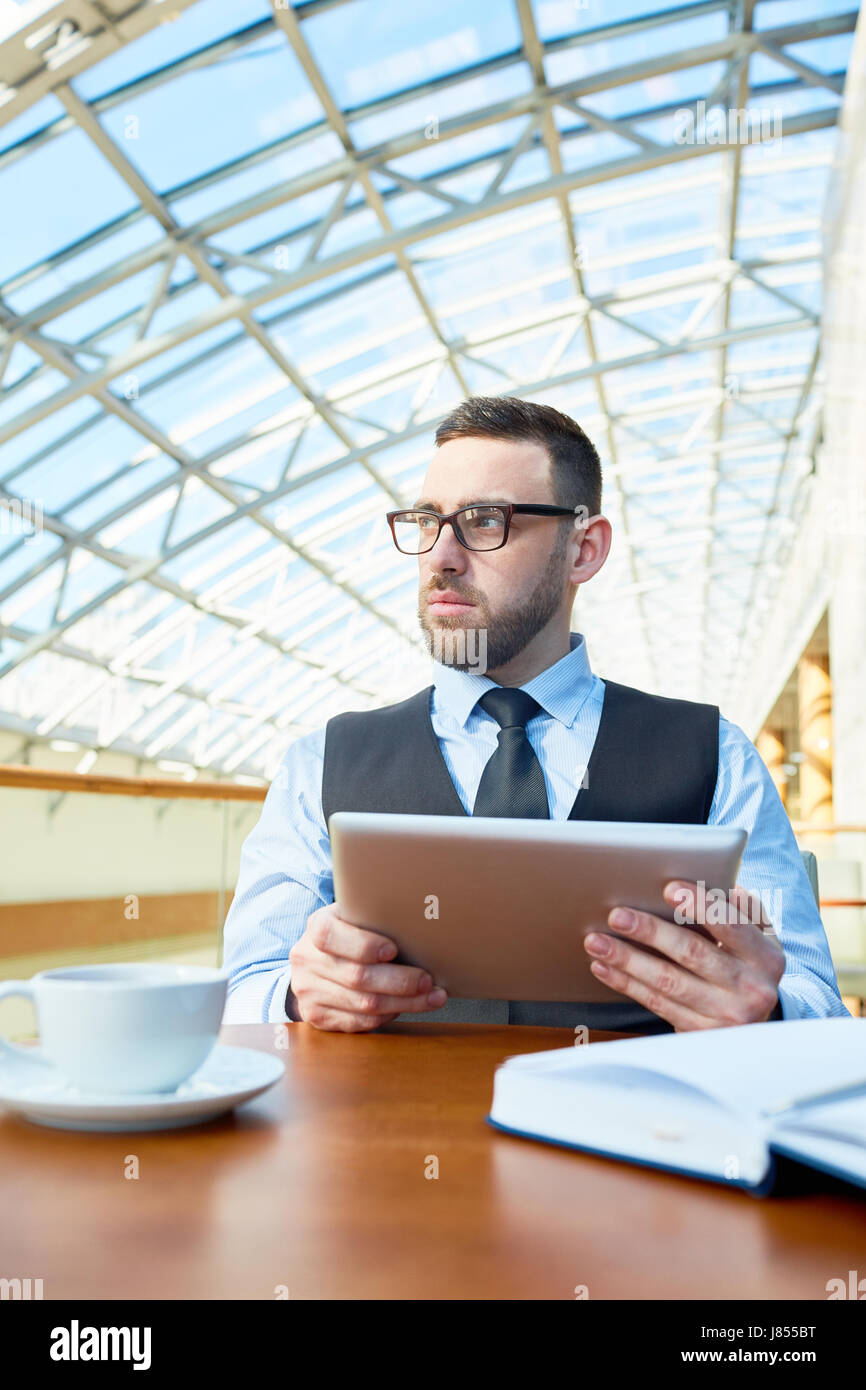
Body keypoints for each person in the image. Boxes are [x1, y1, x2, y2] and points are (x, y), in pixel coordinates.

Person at [222, 395, 847, 1033]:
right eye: (426, 522)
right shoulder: (320, 763)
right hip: (387, 1131)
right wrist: (297, 997)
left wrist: (768, 1012)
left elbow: (818, 1005)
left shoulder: (719, 757)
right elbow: (243, 996)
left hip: (636, 1128)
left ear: (583, 550)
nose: (441, 556)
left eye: (485, 522)